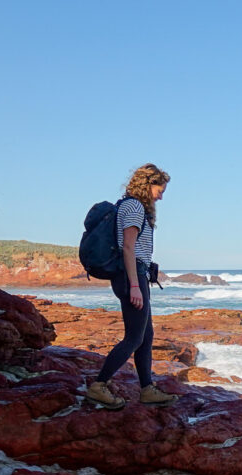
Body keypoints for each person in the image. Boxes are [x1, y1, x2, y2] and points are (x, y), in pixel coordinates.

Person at [85, 164, 176, 409]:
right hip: (131, 277)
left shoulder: (131, 206)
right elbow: (128, 247)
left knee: (145, 337)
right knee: (134, 338)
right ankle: (99, 385)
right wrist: (135, 285)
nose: (161, 195)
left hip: (134, 275)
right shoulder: (134, 206)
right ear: (148, 185)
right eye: (160, 189)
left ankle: (147, 390)